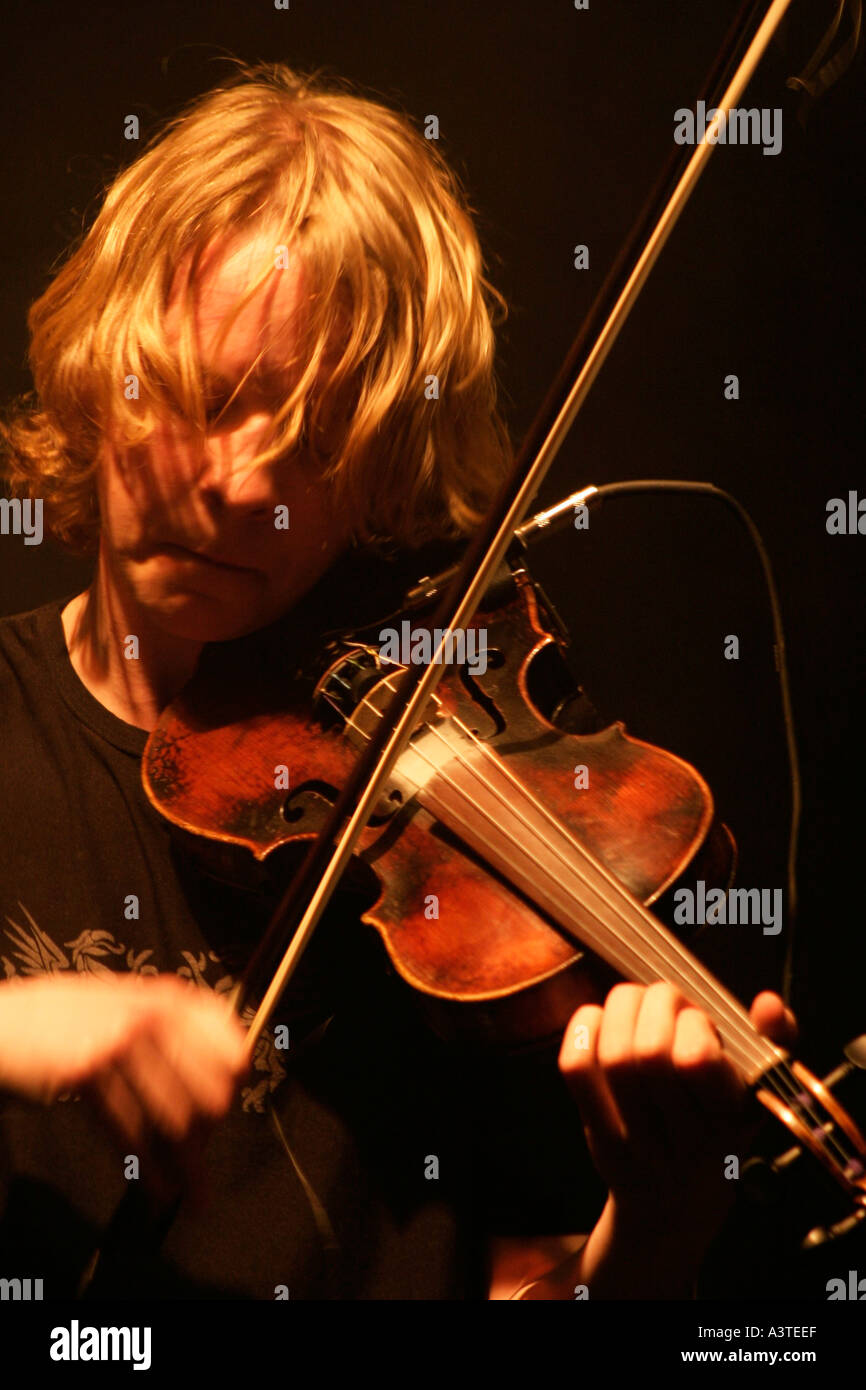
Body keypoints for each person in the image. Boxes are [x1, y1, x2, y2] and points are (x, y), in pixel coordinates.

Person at [0, 61, 794, 1300]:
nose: (247, 485)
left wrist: (653, 1230)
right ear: (102, 364)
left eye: (318, 446)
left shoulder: (447, 870)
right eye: (208, 399)